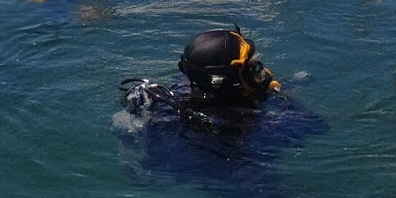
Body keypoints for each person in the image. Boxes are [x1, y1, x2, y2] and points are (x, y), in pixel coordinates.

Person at [120, 27, 281, 136]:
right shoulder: (247, 122)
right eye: (253, 68)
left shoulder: (178, 91)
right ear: (226, 82)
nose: (263, 73)